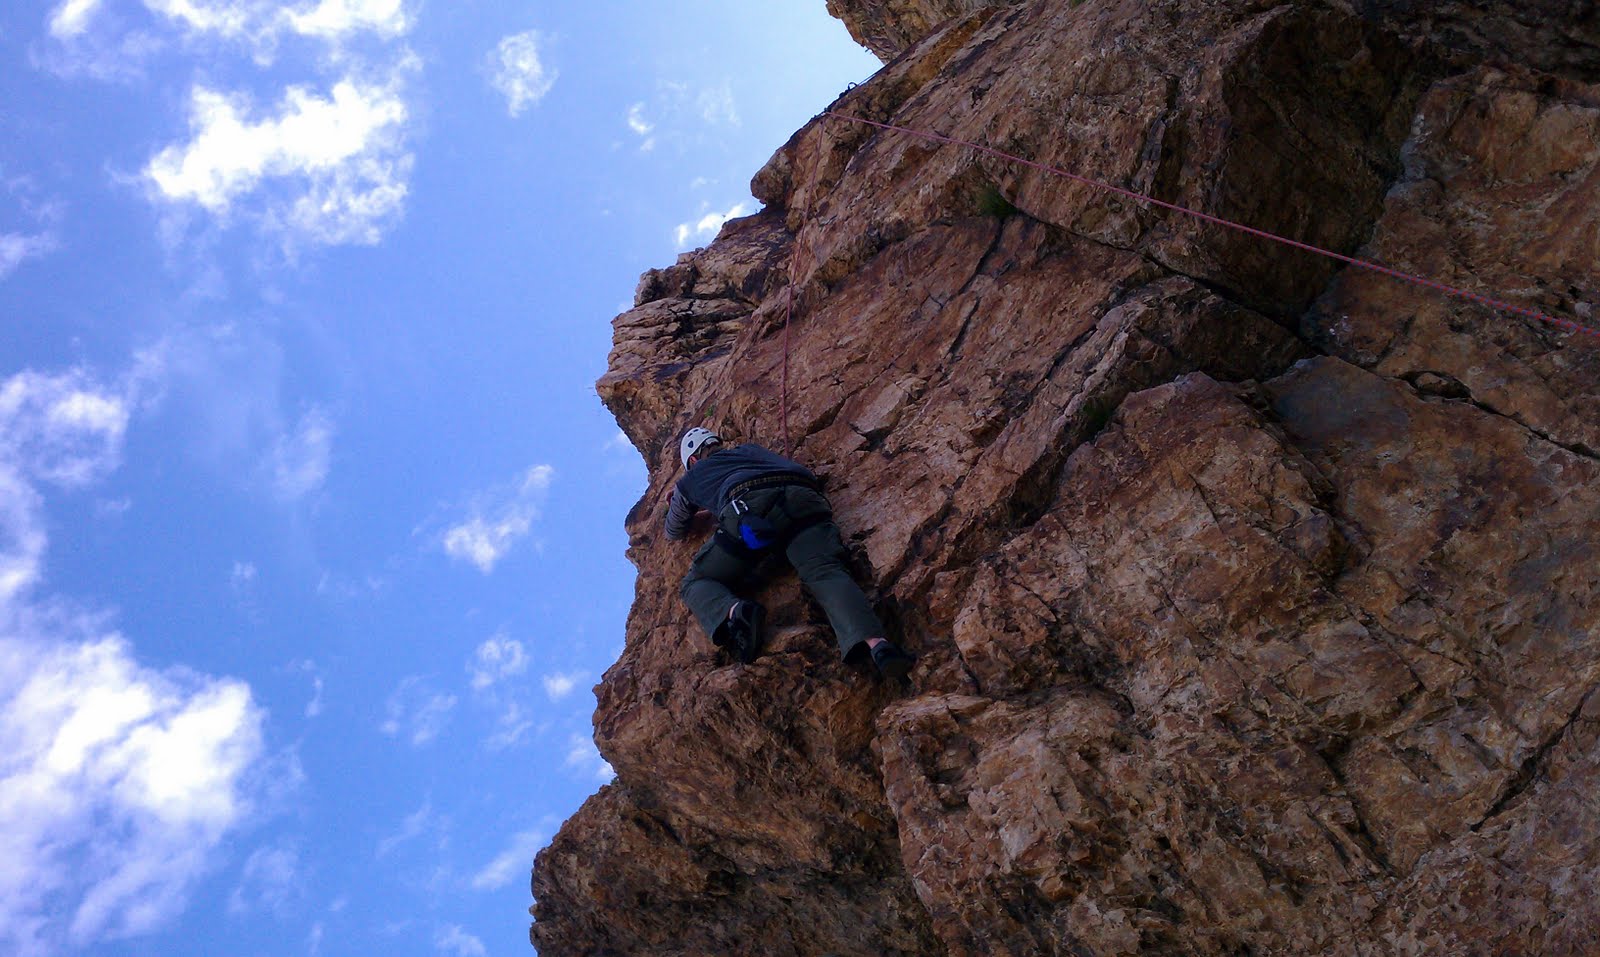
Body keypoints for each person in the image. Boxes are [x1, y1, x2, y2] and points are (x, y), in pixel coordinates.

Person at [666, 427, 916, 679]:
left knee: (695, 582)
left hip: (750, 508)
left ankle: (736, 611)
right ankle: (878, 646)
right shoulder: (751, 450)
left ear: (694, 460)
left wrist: (696, 508)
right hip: (804, 499)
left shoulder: (693, 475)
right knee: (825, 571)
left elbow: (674, 528)